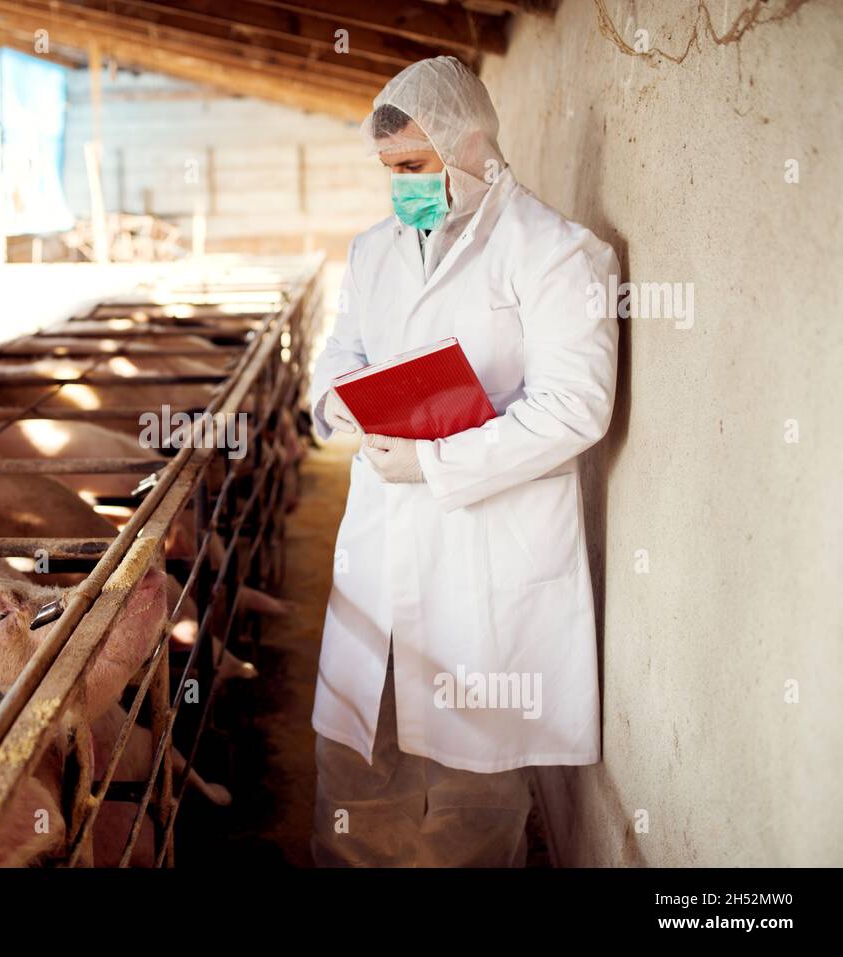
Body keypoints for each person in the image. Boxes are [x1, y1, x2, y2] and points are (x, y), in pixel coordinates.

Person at [308, 56, 620, 867]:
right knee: (355, 772)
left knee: (470, 800)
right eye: (390, 172)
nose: (401, 189)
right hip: (381, 543)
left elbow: (575, 406)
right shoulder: (374, 249)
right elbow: (343, 352)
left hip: (483, 556)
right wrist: (340, 399)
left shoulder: (555, 253)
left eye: (415, 166)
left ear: (470, 142)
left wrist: (435, 463)